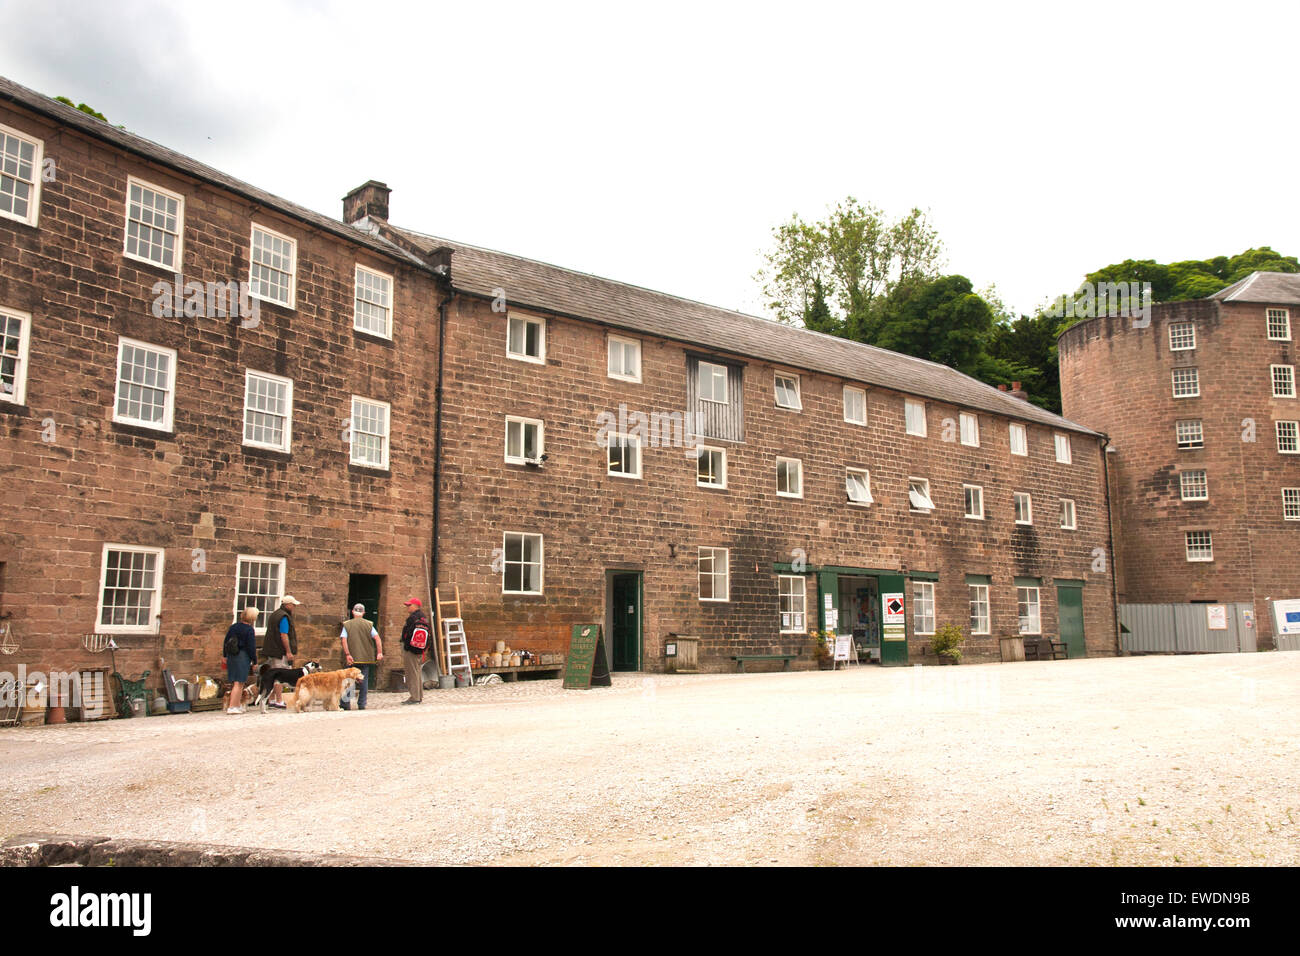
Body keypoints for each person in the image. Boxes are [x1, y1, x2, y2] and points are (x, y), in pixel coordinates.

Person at [261, 595, 302, 708]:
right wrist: (288, 651)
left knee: (274, 674)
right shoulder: (284, 617)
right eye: (293, 605)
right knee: (280, 676)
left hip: (273, 650)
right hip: (280, 651)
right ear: (287, 605)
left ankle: (272, 699)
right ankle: (279, 700)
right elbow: (284, 634)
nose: (294, 607)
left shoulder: (275, 614)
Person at [340, 603, 382, 711]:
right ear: (363, 613)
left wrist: (347, 654)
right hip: (365, 657)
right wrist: (379, 652)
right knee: (363, 680)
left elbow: (344, 640)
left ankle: (346, 704)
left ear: (353, 612)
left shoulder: (347, 624)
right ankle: (362, 704)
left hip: (351, 657)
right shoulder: (369, 625)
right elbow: (377, 638)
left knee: (348, 679)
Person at [224, 606, 258, 715]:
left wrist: (224, 655)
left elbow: (226, 642)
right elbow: (251, 647)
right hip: (242, 656)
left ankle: (237, 705)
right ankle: (232, 706)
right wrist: (255, 661)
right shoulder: (249, 630)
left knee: (237, 682)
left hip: (231, 655)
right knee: (239, 683)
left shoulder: (233, 627)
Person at [399, 598, 430, 705]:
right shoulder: (423, 617)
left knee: (411, 673)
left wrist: (406, 646)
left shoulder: (413, 618)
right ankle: (419, 695)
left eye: (409, 605)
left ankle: (414, 697)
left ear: (415, 606)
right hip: (419, 649)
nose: (408, 607)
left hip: (411, 650)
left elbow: (408, 634)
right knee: (417, 672)